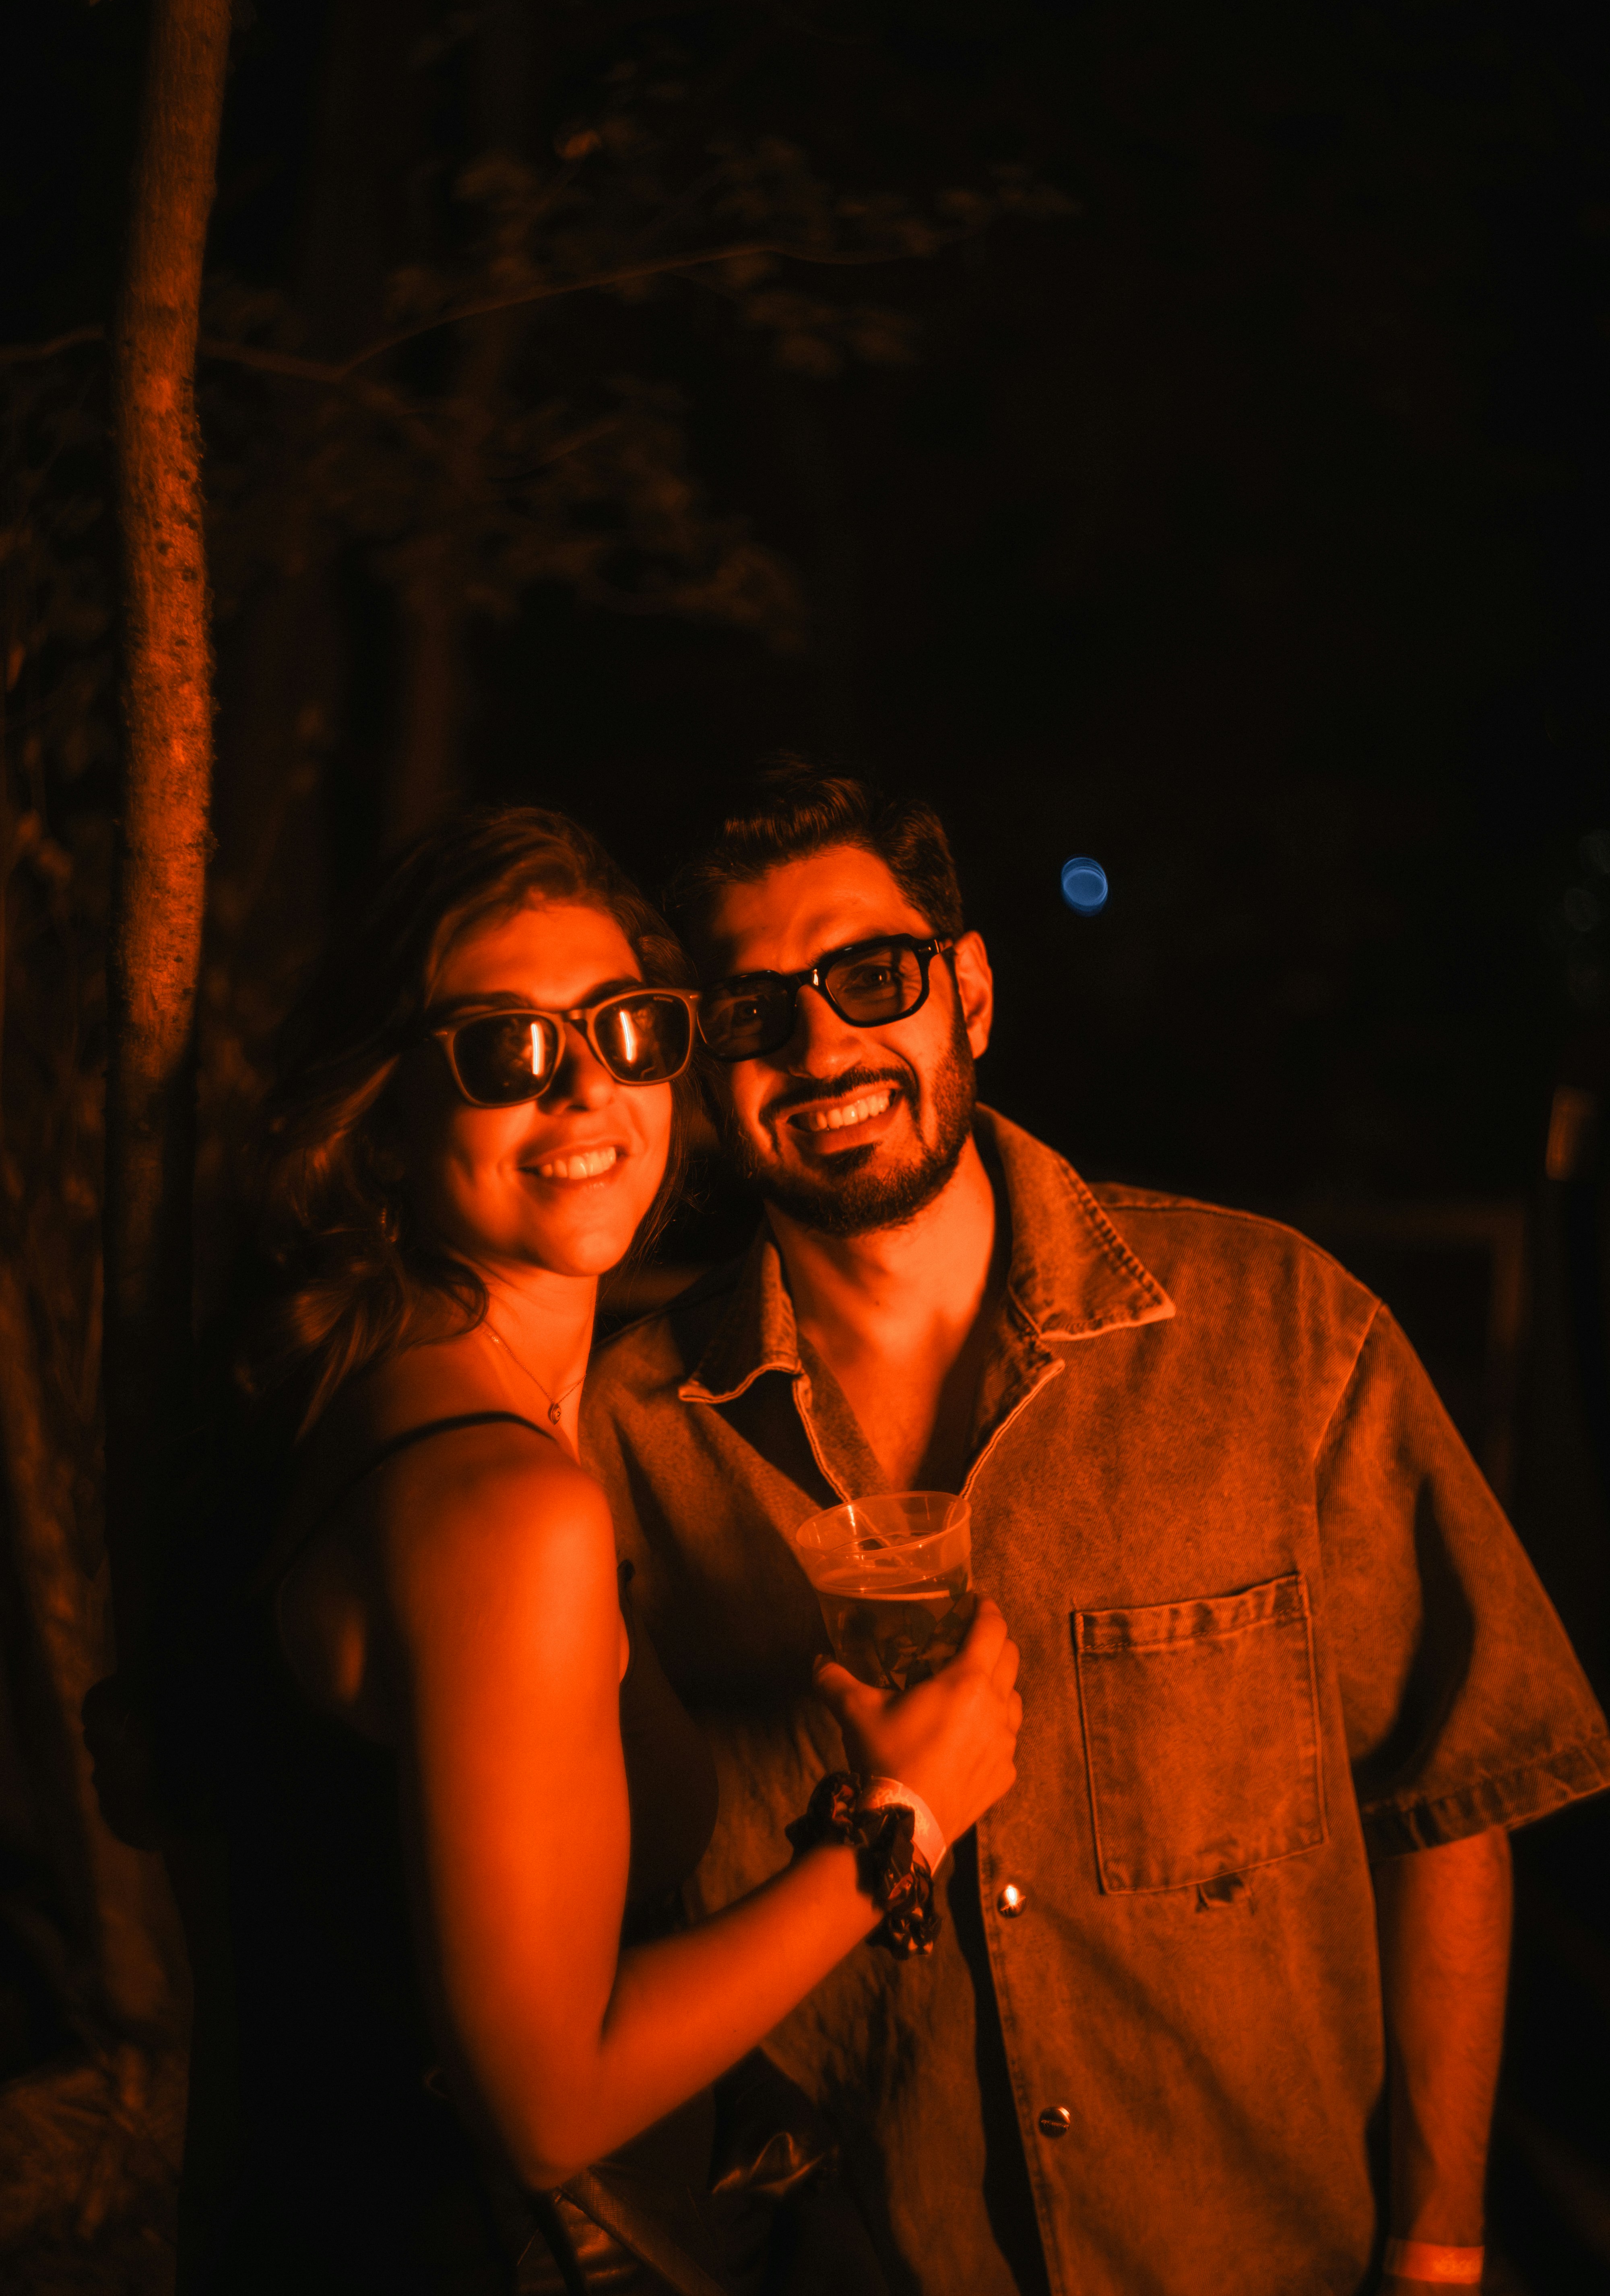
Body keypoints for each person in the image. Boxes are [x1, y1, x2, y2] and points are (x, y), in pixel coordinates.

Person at [580, 758, 1610, 2296]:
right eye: (751, 1007)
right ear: (704, 1073)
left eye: (873, 974)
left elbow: (1456, 1795)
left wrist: (1440, 2248)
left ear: (970, 994)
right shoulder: (625, 1444)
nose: (823, 1041)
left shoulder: (1281, 1337)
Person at [159, 806, 1021, 2296]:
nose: (585, 1091)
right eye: (504, 1051)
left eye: (631, 1029)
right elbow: (547, 2109)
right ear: (383, 1119)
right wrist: (902, 1824)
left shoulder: (400, 1398)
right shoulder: (508, 1509)